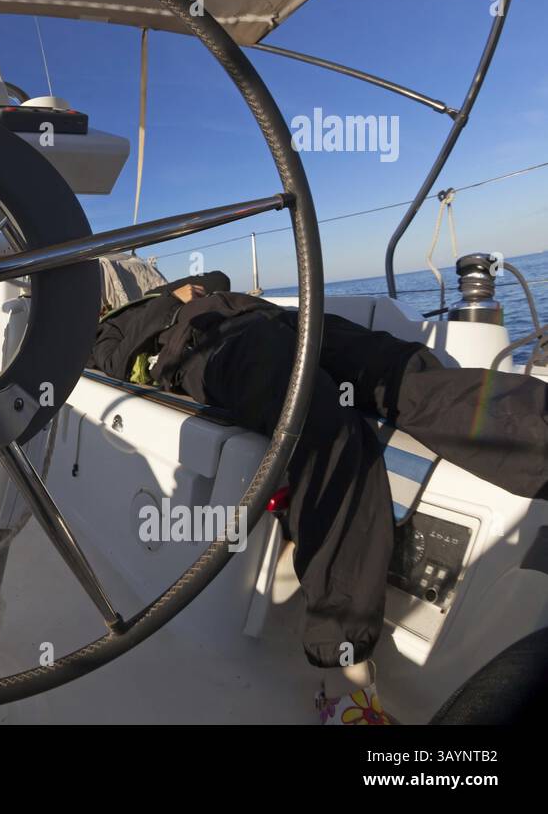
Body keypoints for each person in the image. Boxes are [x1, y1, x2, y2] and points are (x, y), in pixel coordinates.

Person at [88, 271, 548, 725]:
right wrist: (164, 309)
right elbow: (111, 362)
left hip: (288, 321)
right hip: (209, 345)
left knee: (402, 368)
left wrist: (183, 289)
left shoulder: (189, 285)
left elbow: (216, 274)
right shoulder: (113, 325)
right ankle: (342, 669)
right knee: (322, 424)